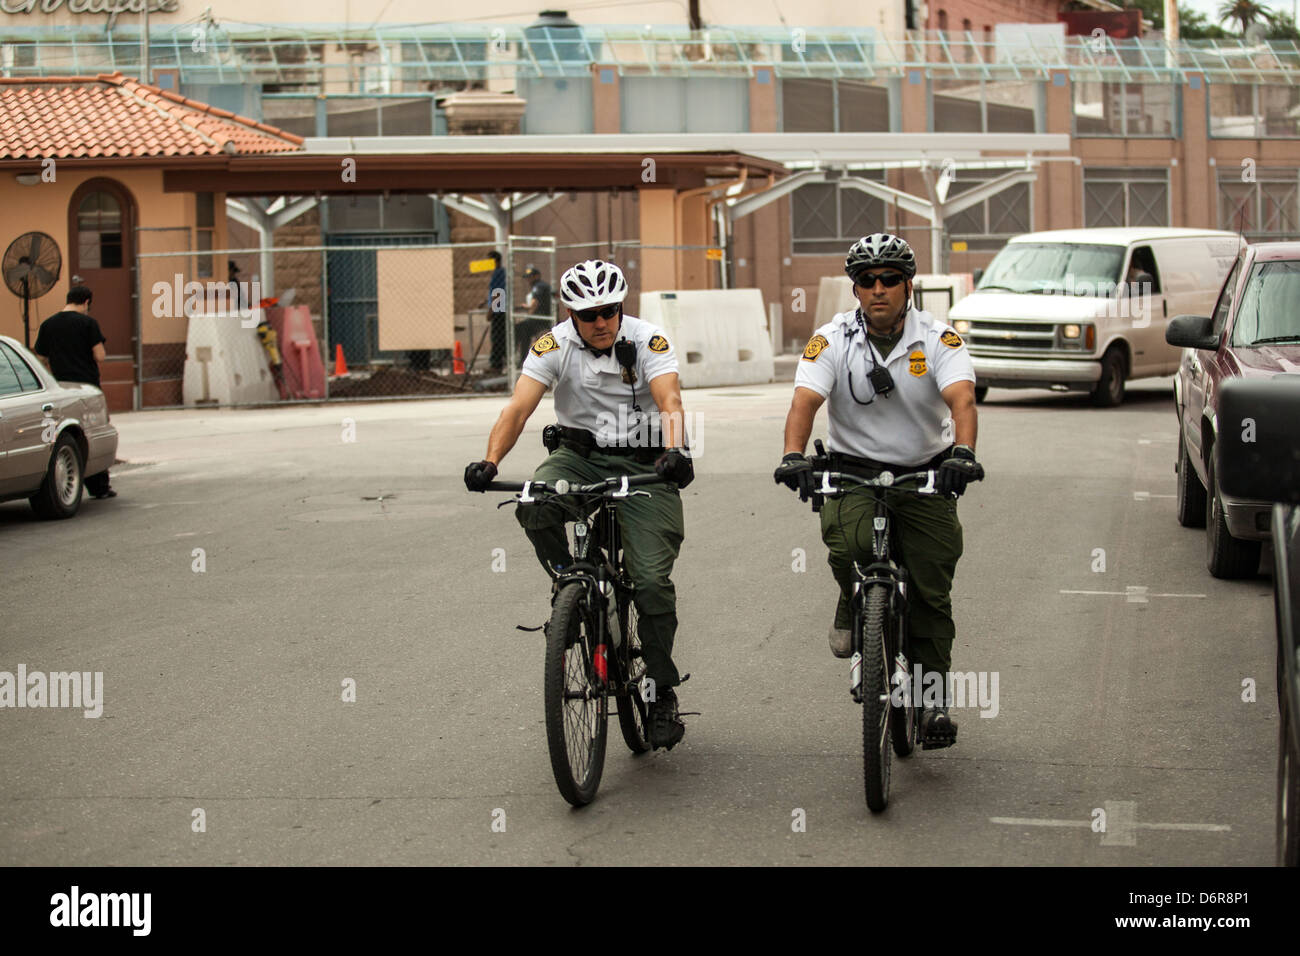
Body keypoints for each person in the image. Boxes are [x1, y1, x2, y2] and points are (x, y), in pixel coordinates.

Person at [464, 259, 695, 751]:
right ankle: (570, 585)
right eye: (588, 314)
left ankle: (660, 691)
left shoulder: (649, 339)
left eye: (609, 311)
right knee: (534, 502)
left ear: (621, 307)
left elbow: (669, 400)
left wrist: (675, 451)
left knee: (651, 580)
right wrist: (489, 460)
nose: (600, 322)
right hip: (578, 458)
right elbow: (519, 407)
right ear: (571, 313)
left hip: (644, 465)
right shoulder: (553, 345)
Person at [773, 234, 982, 749]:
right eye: (867, 281)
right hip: (852, 473)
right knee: (849, 547)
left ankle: (932, 702)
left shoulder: (938, 337)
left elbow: (963, 401)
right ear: (856, 288)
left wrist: (963, 454)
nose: (878, 289)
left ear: (908, 285)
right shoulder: (831, 339)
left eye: (889, 279)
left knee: (932, 592)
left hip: (924, 473)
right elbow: (805, 402)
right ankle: (856, 602)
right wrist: (793, 456)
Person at [32, 285, 116, 499]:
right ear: (86, 302)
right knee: (91, 433)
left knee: (64, 434)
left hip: (60, 389)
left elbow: (40, 359)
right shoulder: (88, 324)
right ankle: (100, 487)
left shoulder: (48, 325)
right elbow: (100, 355)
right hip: (87, 388)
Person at [516, 265, 555, 366]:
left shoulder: (539, 286)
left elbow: (534, 304)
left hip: (541, 319)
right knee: (523, 329)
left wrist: (529, 314)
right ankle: (523, 358)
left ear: (537, 276)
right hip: (541, 318)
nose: (528, 279)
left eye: (531, 277)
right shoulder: (539, 286)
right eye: (527, 277)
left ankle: (522, 358)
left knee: (521, 328)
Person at [485, 251, 507, 373]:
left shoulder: (498, 273)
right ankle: (498, 362)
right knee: (499, 337)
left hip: (498, 309)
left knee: (497, 337)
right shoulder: (498, 273)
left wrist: (491, 310)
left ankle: (496, 364)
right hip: (498, 307)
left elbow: (498, 292)